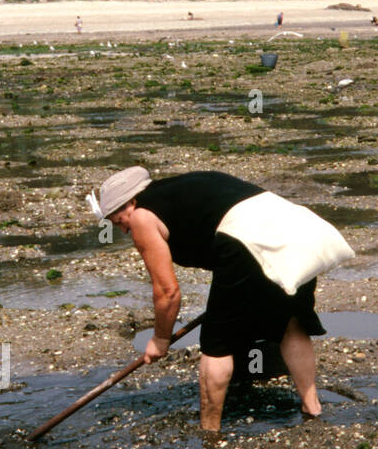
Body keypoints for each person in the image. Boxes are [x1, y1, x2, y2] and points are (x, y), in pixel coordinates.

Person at [88, 167, 353, 431]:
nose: (123, 229)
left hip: (247, 240)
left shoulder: (142, 217)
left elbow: (167, 292)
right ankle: (312, 409)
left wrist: (160, 338)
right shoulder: (183, 187)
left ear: (132, 201)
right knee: (290, 324)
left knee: (216, 343)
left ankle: (210, 432)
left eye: (118, 220)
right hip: (298, 229)